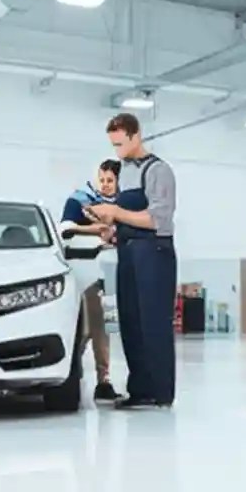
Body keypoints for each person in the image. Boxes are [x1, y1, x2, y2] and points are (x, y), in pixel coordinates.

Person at [86, 113, 177, 410]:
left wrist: (115, 213)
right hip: (127, 251)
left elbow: (157, 218)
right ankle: (140, 389)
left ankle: (161, 393)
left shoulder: (158, 171)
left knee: (154, 324)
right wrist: (111, 229)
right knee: (131, 322)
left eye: (121, 144)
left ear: (136, 136)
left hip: (154, 252)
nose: (117, 151)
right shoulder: (124, 171)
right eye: (113, 145)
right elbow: (128, 217)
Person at [60, 159, 123, 401]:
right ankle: (82, 373)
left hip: (111, 276)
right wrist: (98, 229)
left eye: (110, 180)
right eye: (103, 179)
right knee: (87, 328)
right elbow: (65, 228)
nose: (106, 185)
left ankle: (102, 379)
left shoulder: (123, 205)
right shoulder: (80, 199)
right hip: (85, 273)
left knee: (106, 327)